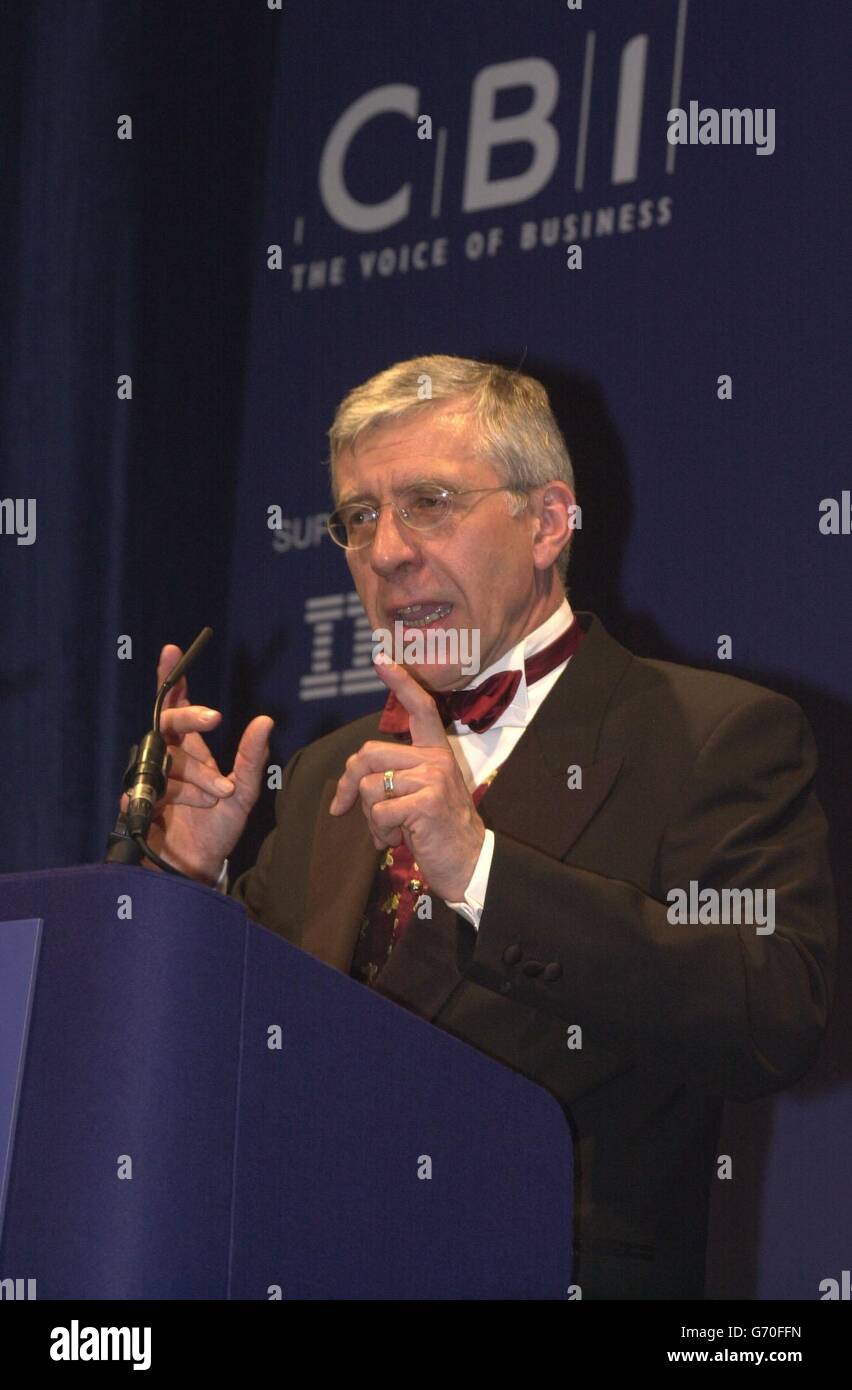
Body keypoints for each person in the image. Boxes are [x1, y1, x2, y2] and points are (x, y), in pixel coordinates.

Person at [125, 356, 837, 1299]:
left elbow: (772, 1016)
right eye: (360, 517)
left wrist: (481, 870)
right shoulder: (333, 770)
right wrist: (190, 891)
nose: (385, 553)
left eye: (429, 502)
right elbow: (246, 1064)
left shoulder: (713, 735)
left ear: (548, 523)